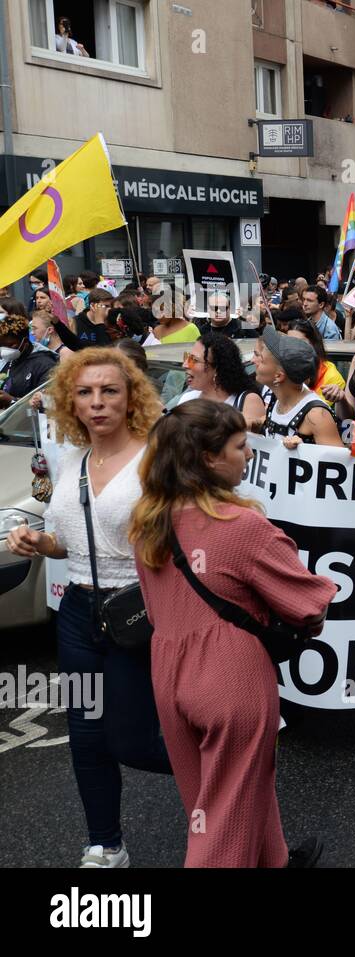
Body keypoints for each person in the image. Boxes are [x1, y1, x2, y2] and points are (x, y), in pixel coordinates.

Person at [129, 400, 335, 867]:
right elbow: (310, 603)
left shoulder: (147, 522)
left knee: (214, 799)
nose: (248, 455)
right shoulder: (241, 526)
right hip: (231, 675)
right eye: (240, 447)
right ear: (208, 458)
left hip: (167, 671)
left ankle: (275, 860)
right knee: (221, 823)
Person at [5, 348, 169, 867]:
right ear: (70, 402)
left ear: (131, 398)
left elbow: (185, 536)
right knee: (85, 732)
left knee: (134, 740)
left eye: (109, 391)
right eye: (85, 392)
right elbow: (70, 540)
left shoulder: (155, 459)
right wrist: (39, 542)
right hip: (78, 614)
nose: (97, 403)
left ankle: (228, 776)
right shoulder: (73, 459)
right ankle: (106, 844)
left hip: (138, 612)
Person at [253, 328, 342, 448]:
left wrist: (303, 451)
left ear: (278, 376)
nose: (253, 360)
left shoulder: (317, 415)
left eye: (261, 360)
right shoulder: (277, 398)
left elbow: (336, 463)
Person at [175, 333, 267, 427]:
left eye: (194, 360)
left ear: (217, 369)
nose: (185, 365)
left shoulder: (248, 401)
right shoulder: (187, 398)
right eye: (187, 357)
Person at [0, 309, 58, 404]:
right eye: (1, 345)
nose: (4, 350)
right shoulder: (10, 360)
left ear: (25, 342)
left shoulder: (46, 364)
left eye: (10, 345)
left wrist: (12, 401)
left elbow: (49, 403)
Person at [285, 318, 346, 409]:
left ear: (314, 345)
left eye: (300, 343)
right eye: (289, 343)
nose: (293, 348)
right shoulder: (282, 369)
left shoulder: (332, 377)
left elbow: (314, 411)